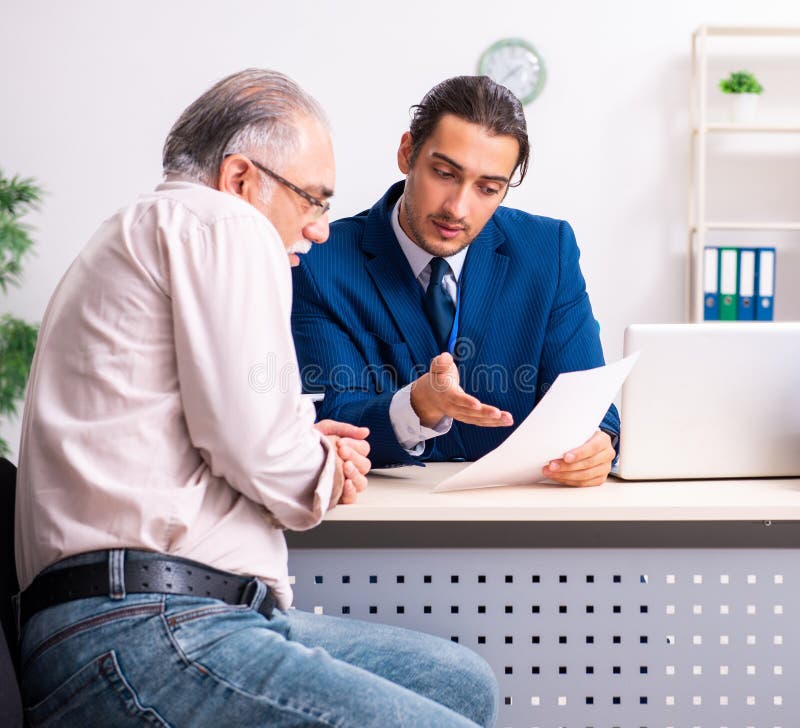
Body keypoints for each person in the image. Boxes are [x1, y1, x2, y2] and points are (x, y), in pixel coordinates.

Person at [14, 69, 497, 727]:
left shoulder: (141, 232)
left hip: (152, 617)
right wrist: (326, 468)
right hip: (145, 626)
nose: (320, 228)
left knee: (460, 684)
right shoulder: (222, 222)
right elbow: (263, 450)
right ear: (241, 179)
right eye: (311, 200)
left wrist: (301, 446)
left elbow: (233, 423)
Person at [292, 75, 620, 485]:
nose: (458, 208)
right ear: (408, 152)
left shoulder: (548, 251)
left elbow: (586, 398)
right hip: (383, 520)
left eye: (487, 188)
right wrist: (416, 406)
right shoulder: (319, 261)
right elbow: (330, 420)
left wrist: (598, 442)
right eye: (445, 173)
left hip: (527, 515)